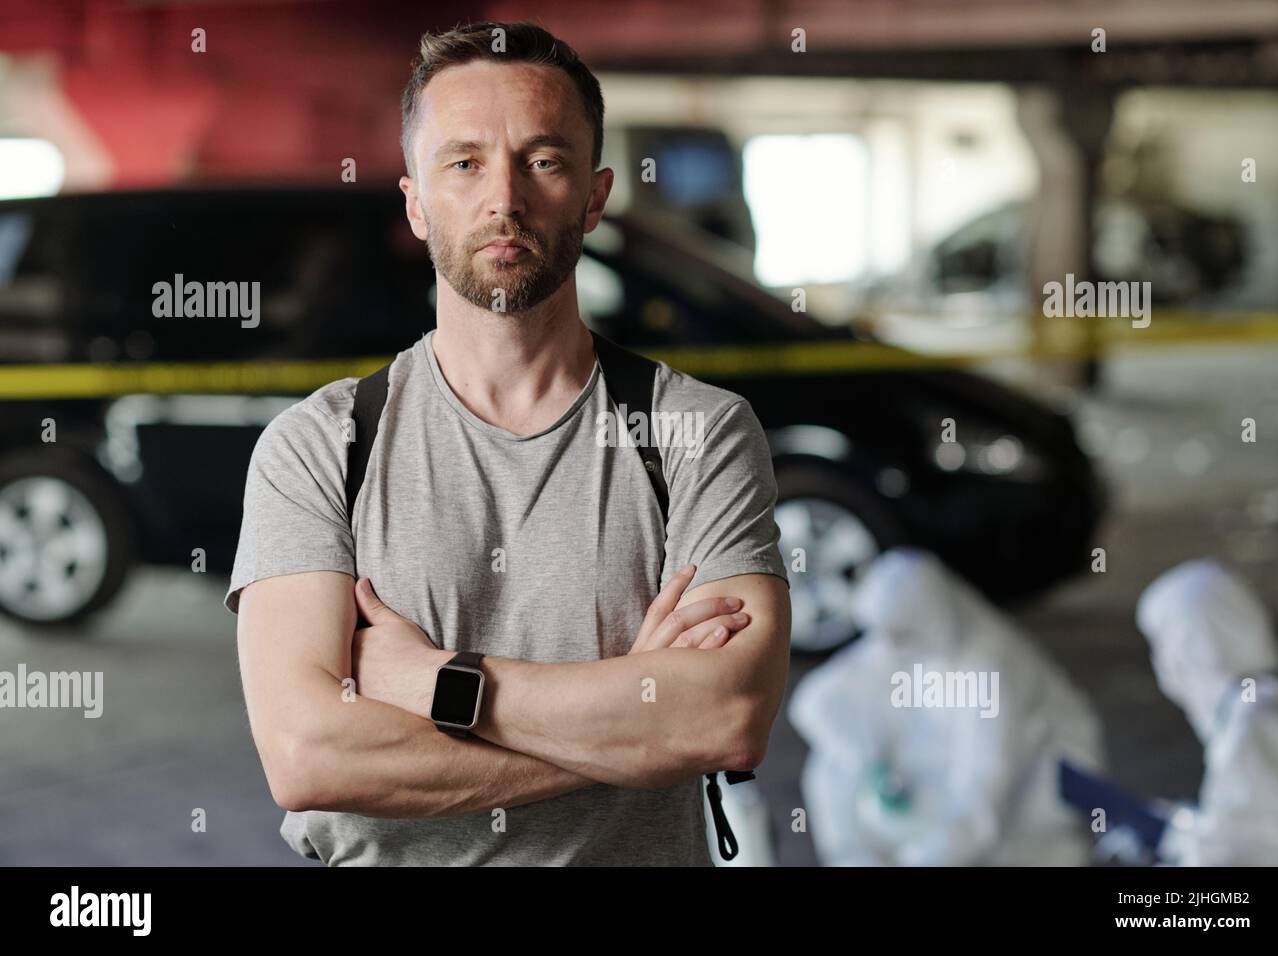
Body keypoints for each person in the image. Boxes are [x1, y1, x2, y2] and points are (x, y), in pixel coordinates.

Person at [226, 21, 791, 866]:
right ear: (415, 202)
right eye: (464, 163)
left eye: (544, 161)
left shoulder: (696, 433)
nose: (504, 199)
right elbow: (309, 756)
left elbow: (725, 719)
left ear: (594, 198)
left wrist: (428, 679)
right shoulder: (319, 447)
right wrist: (635, 730)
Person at [789, 548, 1104, 866]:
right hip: (950, 764)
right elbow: (817, 699)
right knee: (833, 767)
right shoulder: (906, 643)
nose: (885, 647)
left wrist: (934, 855)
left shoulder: (988, 666)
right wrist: (864, 752)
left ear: (928, 618)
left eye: (898, 635)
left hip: (1034, 782)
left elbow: (986, 782)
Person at [1136, 559, 1278, 866]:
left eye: (1162, 643)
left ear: (1188, 641)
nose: (1163, 664)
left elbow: (1245, 854)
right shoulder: (1275, 700)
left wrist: (1174, 843)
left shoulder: (1258, 719)